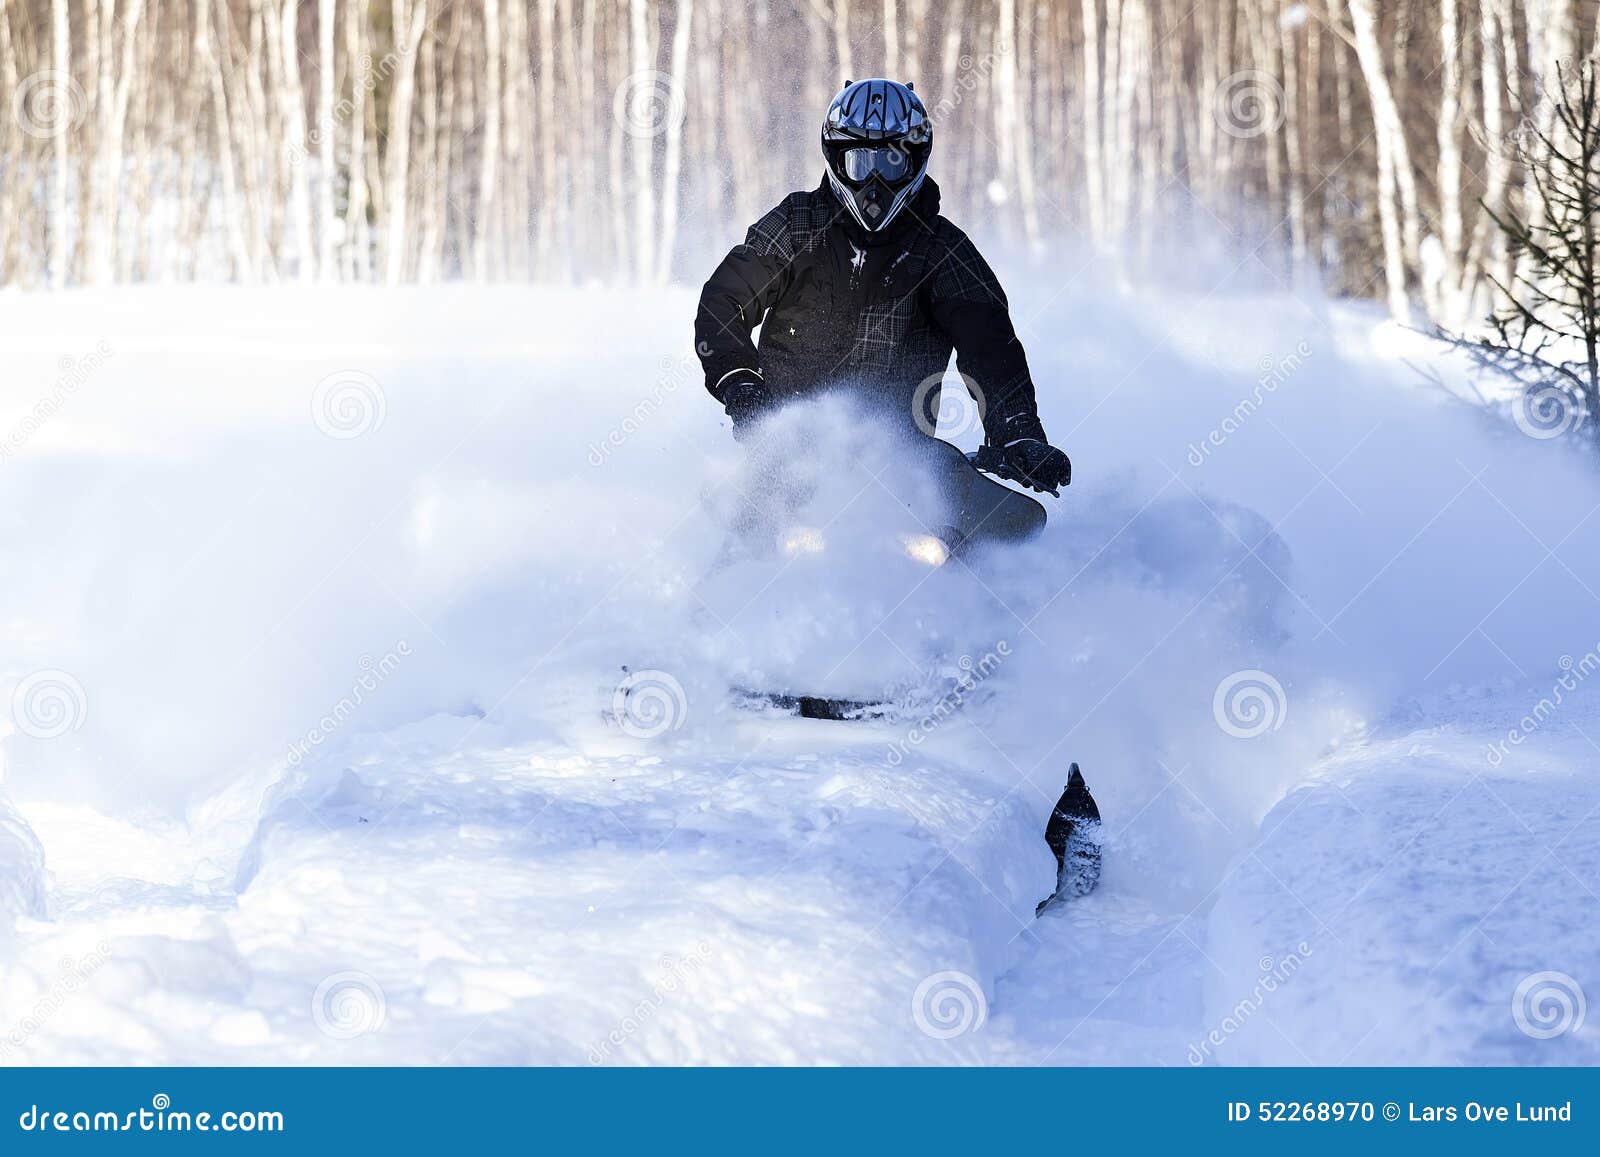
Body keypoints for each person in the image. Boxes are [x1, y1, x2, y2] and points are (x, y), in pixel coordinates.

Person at [694, 77, 1072, 551]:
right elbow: (722, 303)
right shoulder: (795, 225)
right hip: (787, 452)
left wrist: (1017, 435)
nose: (874, 183)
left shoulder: (944, 251)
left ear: (915, 162)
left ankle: (977, 599)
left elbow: (993, 349)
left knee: (999, 518)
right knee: (738, 530)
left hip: (901, 463)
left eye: (891, 163)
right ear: (836, 161)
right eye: (860, 162)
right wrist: (741, 386)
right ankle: (717, 602)